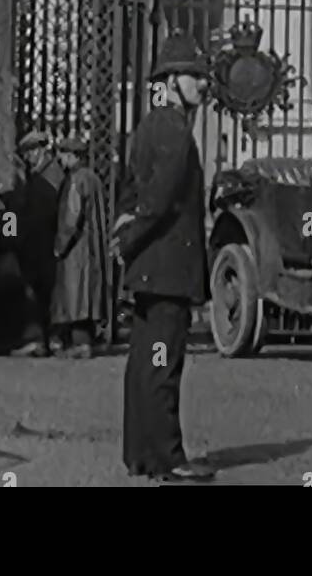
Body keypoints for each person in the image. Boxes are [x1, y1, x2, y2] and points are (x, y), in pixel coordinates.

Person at [113, 32, 215, 483]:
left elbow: (134, 192)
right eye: (195, 76)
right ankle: (170, 458)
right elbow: (159, 199)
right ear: (171, 81)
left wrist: (126, 234)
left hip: (148, 271)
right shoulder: (175, 132)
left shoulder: (148, 127)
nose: (203, 84)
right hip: (168, 268)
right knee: (162, 364)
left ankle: (141, 454)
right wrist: (132, 236)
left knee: (142, 362)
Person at [49, 135, 106, 359]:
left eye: (63, 155)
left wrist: (60, 245)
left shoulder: (75, 181)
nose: (61, 161)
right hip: (91, 246)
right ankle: (88, 339)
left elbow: (72, 217)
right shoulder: (93, 178)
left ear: (72, 156)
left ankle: (80, 343)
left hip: (77, 249)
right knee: (88, 295)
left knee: (75, 295)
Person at [9, 130, 64, 358]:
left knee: (38, 290)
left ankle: (39, 338)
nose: (29, 157)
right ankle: (49, 338)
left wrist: (13, 236)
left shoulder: (48, 177)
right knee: (43, 291)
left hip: (42, 242)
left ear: (40, 150)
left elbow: (35, 214)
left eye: (30, 152)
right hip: (40, 241)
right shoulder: (43, 174)